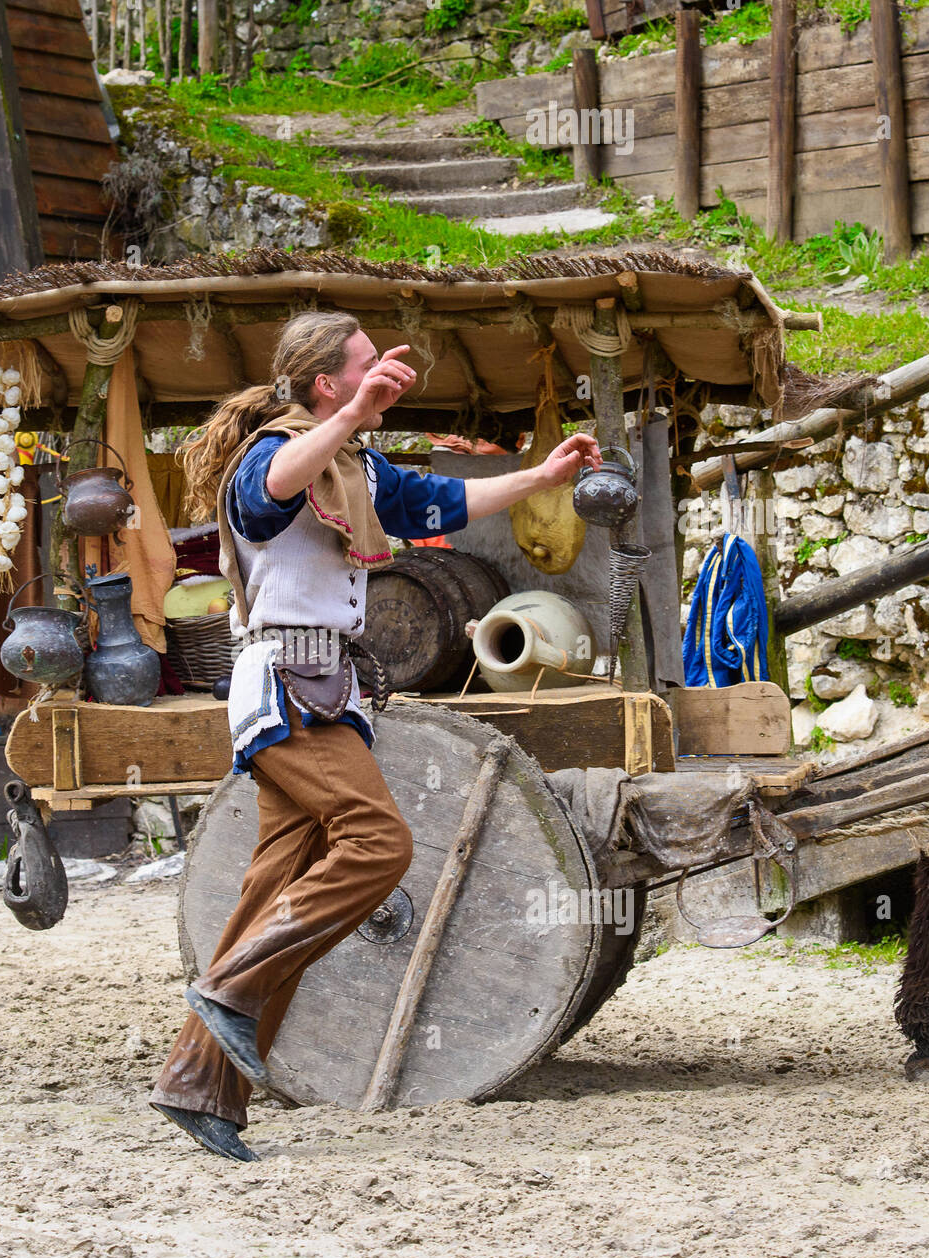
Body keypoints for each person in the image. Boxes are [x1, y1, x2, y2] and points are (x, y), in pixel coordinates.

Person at [148, 311, 602, 1161]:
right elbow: (267, 492)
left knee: (268, 888)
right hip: (289, 690)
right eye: (364, 367)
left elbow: (444, 501)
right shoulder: (275, 456)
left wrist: (543, 473)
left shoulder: (354, 465)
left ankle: (199, 1085)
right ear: (327, 385)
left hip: (326, 688)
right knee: (379, 845)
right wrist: (350, 420)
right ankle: (233, 993)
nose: (381, 377)